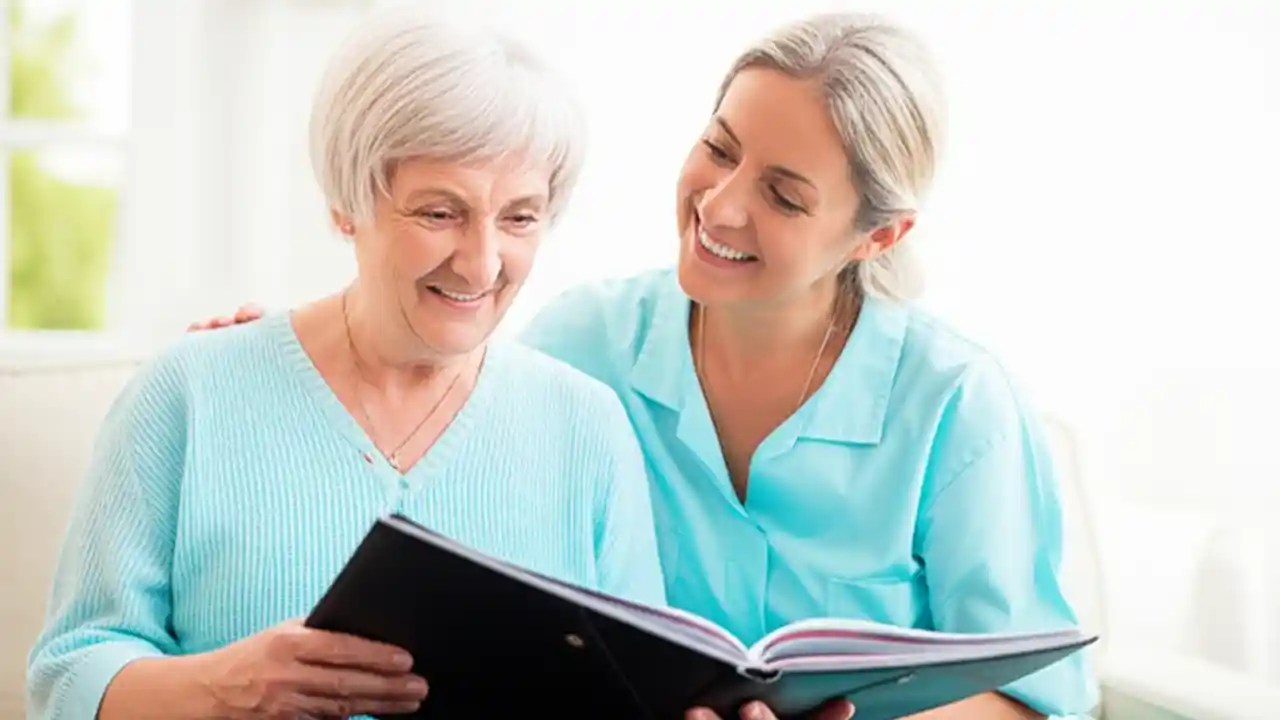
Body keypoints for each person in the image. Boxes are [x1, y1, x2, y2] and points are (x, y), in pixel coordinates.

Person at [188, 11, 1100, 720]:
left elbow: (1033, 694)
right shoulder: (586, 340)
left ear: (880, 234)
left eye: (783, 194)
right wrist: (301, 348)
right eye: (719, 149)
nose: (722, 205)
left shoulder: (958, 406)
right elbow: (441, 382)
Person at [25, 8, 667, 720]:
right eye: (438, 213)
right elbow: (65, 681)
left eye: (519, 217)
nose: (483, 262)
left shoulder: (586, 426)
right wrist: (222, 688)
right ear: (345, 205)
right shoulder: (189, 393)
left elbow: (641, 691)